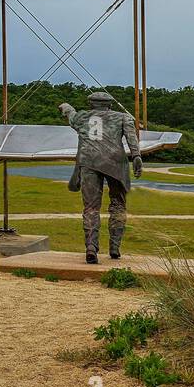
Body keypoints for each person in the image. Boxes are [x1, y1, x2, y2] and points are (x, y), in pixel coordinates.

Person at [59, 91, 142, 263]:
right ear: (110, 105)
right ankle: (114, 247)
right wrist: (136, 156)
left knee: (91, 208)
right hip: (115, 164)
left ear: (91, 104)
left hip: (89, 163)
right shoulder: (123, 117)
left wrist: (66, 106)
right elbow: (131, 137)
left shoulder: (82, 117)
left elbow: (70, 114)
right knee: (118, 205)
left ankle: (91, 247)